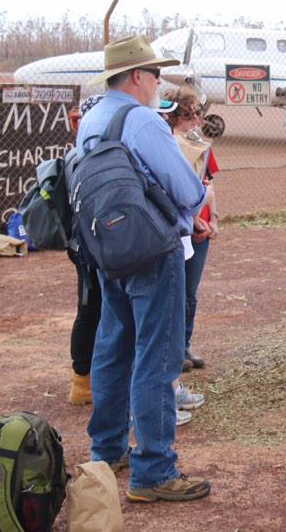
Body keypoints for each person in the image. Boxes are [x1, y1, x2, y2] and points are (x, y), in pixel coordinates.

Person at [76, 35, 211, 503]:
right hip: (153, 248)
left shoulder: (93, 118)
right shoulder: (142, 121)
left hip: (106, 248)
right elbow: (187, 186)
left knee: (114, 345)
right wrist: (196, 205)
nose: (159, 83)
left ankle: (107, 449)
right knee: (159, 353)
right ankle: (154, 470)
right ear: (137, 77)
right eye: (155, 74)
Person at [163, 86, 220, 374]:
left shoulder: (198, 143)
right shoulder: (167, 144)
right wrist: (194, 217)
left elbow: (209, 182)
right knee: (177, 290)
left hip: (202, 226)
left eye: (197, 113)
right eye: (190, 114)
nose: (196, 120)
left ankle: (184, 345)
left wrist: (214, 220)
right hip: (183, 227)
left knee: (190, 292)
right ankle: (173, 350)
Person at [67, 94, 105, 406]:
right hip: (86, 248)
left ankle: (94, 377)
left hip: (93, 245)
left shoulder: (83, 153)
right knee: (89, 308)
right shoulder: (79, 158)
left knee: (99, 309)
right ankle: (82, 381)